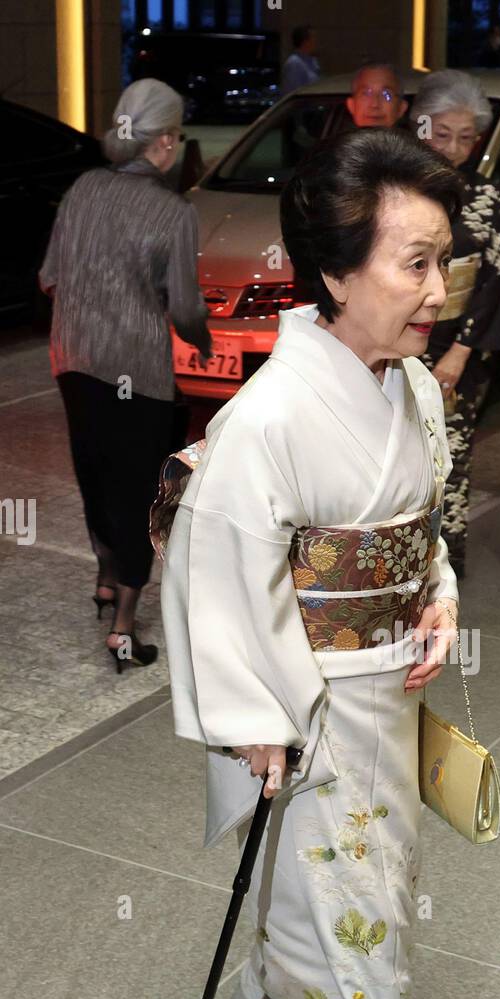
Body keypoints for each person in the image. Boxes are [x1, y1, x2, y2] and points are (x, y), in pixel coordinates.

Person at [157, 128, 500, 999]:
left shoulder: (400, 388)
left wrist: (437, 590)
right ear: (335, 272)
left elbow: (417, 528)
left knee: (345, 889)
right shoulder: (267, 417)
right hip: (305, 705)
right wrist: (256, 721)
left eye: (443, 259)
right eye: (413, 262)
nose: (436, 289)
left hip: (387, 687)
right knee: (352, 905)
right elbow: (216, 569)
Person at [39, 78, 211, 671]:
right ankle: (121, 630)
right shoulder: (174, 211)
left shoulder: (83, 188)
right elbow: (185, 309)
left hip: (73, 360)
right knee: (139, 488)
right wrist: (204, 339)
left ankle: (106, 579)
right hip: (136, 370)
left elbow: (49, 274)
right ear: (164, 142)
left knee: (94, 469)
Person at [410, 70, 500, 577]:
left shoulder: (486, 196)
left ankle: (444, 569)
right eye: (442, 134)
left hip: (457, 347)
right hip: (400, 338)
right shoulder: (397, 192)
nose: (454, 148)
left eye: (467, 138)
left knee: (450, 453)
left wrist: (460, 352)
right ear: (420, 127)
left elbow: (494, 277)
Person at [346, 62, 409, 128]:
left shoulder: (414, 137)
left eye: (386, 95)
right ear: (351, 105)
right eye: (366, 94)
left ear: (401, 108)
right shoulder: (337, 138)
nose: (375, 104)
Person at [281, 24, 321, 97]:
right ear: (305, 42)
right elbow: (294, 93)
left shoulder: (313, 61)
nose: (316, 41)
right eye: (313, 37)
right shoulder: (294, 63)